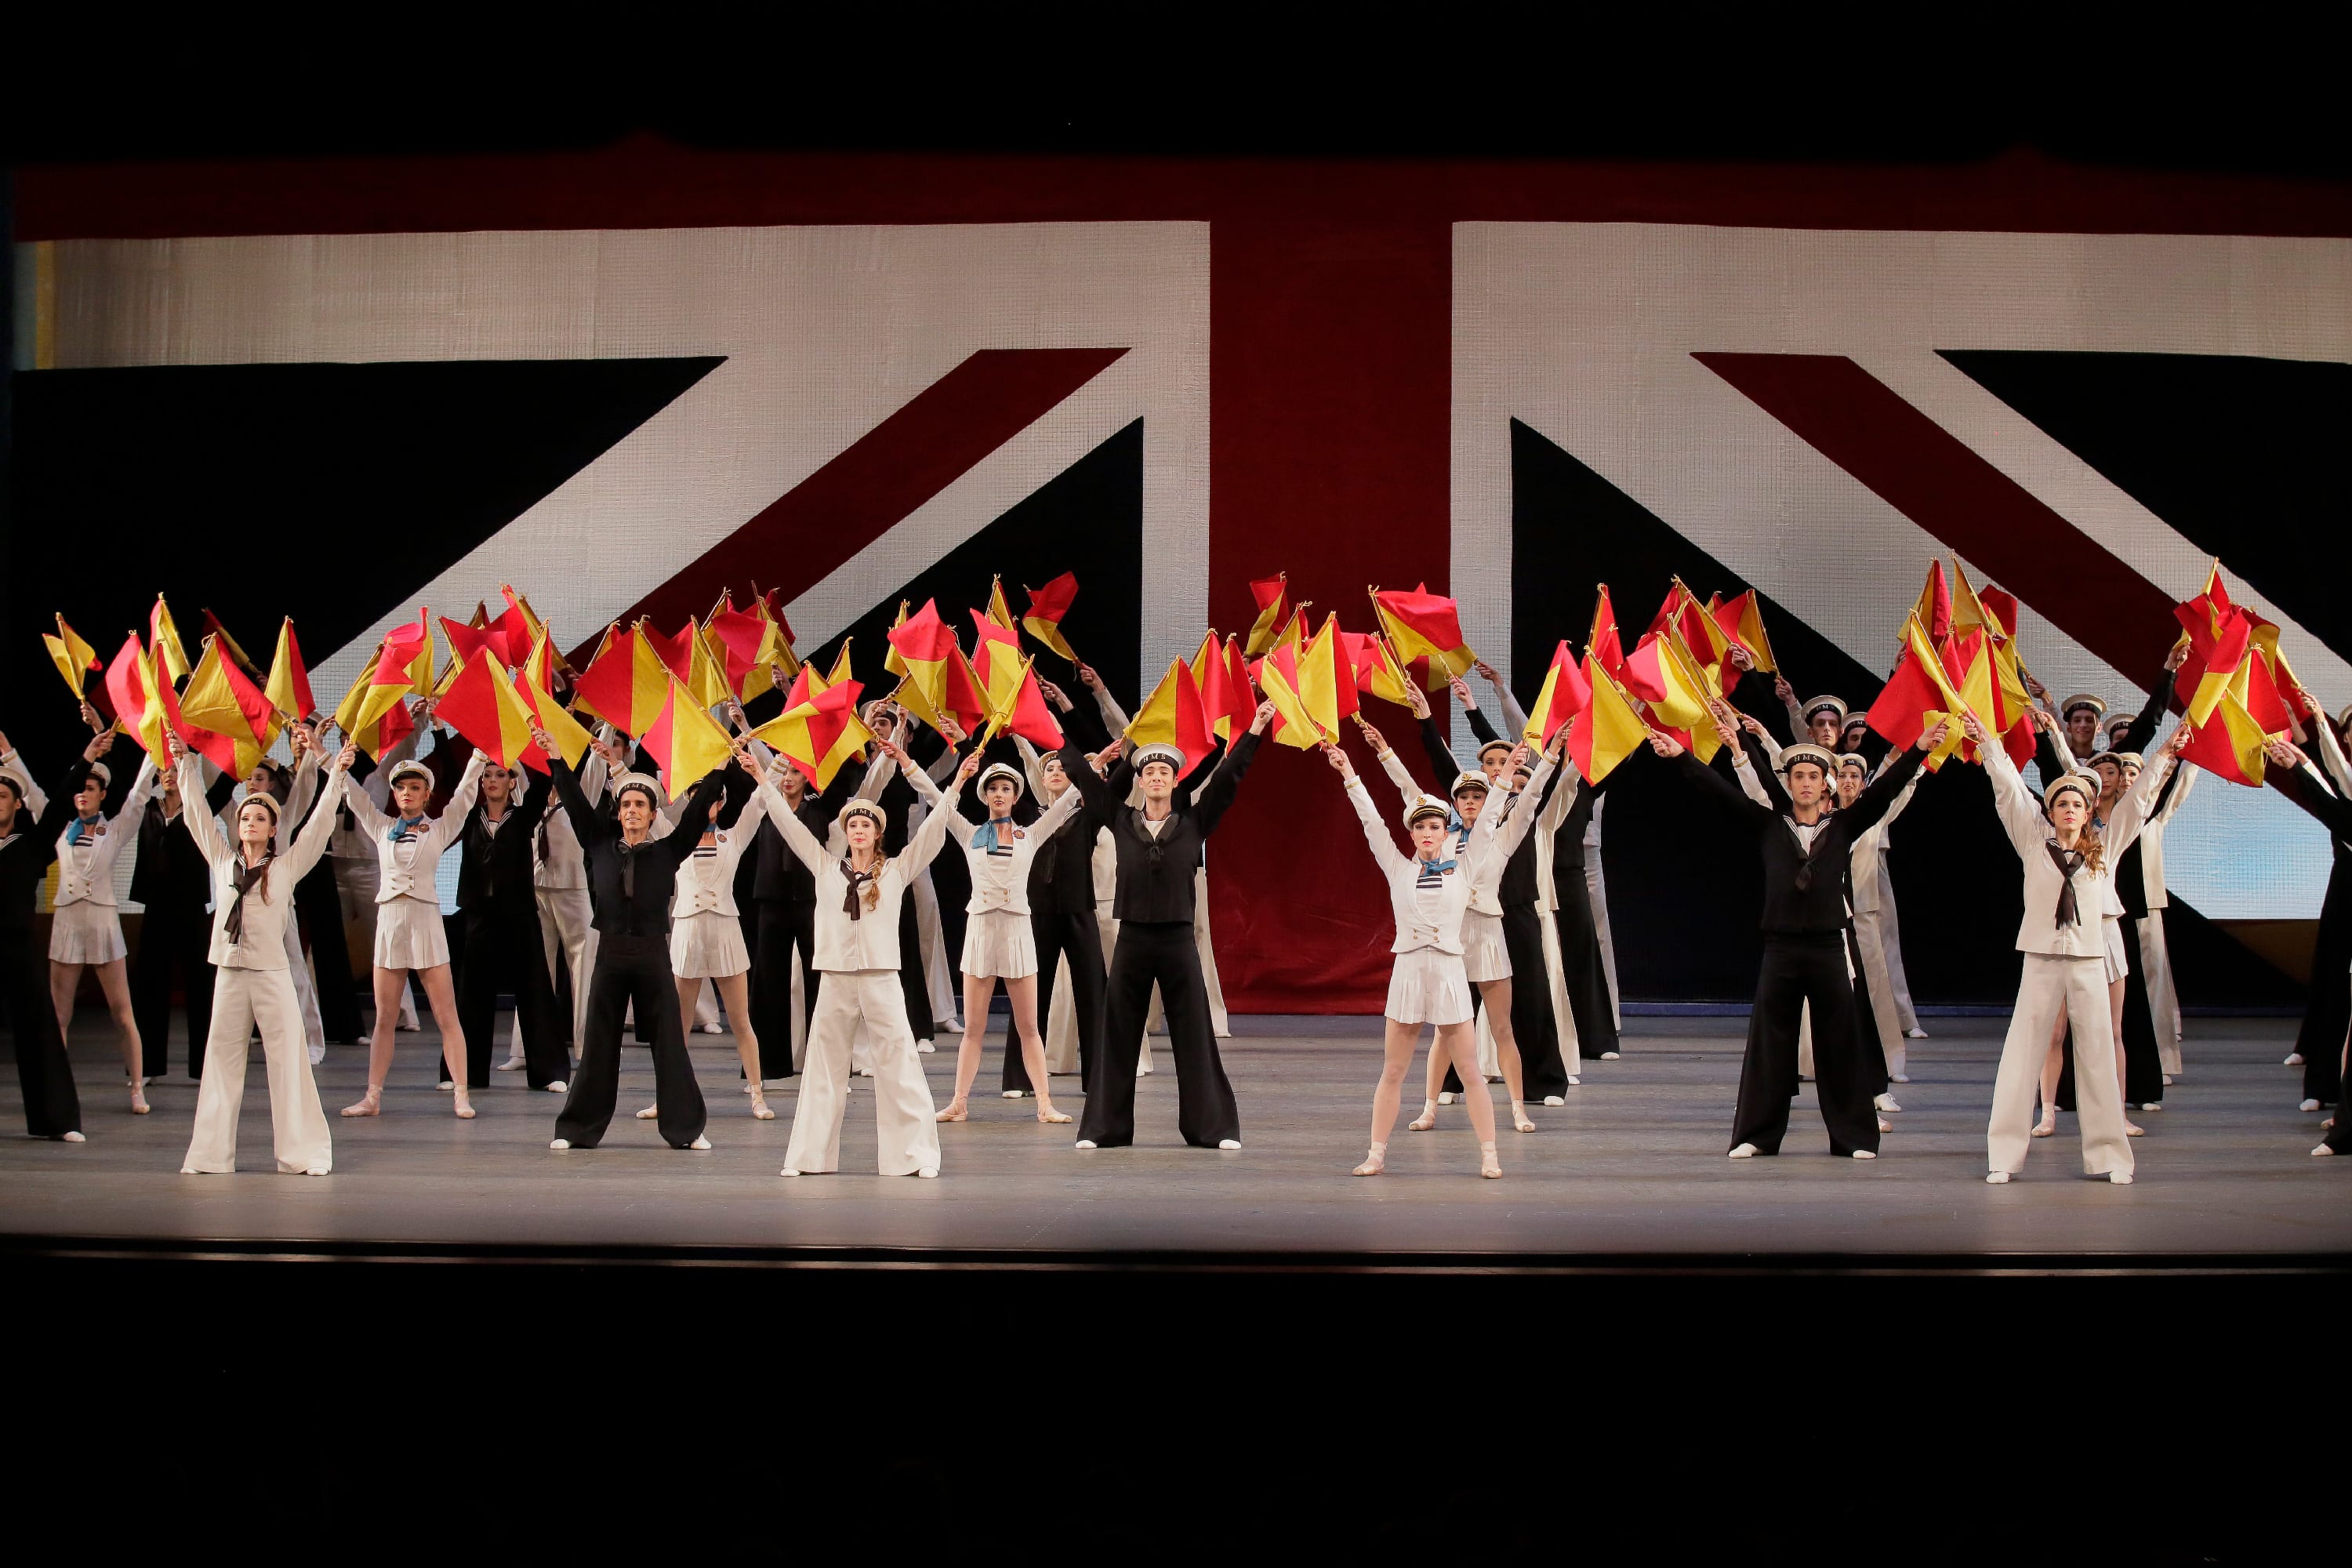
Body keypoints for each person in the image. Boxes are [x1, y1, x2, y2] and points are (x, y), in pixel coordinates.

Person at [1661, 710, 1935, 1160]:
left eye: (1813, 775)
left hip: (1828, 947)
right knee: (1770, 1043)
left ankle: (1853, 1137)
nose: (1805, 783)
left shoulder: (1843, 826)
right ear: (1788, 782)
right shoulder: (1771, 825)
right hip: (1781, 949)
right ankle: (1756, 1134)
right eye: (1798, 776)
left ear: (1826, 783)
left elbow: (1884, 792)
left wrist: (1919, 749)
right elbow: (1720, 793)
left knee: (1840, 1043)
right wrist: (1680, 757)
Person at [1976, 712, 2185, 1184]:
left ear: (2089, 811)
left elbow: (2140, 800)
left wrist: (2168, 753)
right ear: (2049, 811)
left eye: (2077, 803)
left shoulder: (2105, 847)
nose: (2069, 809)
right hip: (2042, 958)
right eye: (2061, 803)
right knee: (2022, 1054)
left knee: (2097, 1057)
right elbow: (2008, 789)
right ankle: (2004, 1157)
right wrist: (1989, 743)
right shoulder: (2033, 841)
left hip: (2090, 959)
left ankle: (2110, 1155)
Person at [1063, 701, 1274, 1151]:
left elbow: (1228, 779)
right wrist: (1053, 732)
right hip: (1133, 939)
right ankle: (1105, 1129)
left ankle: (1212, 1128)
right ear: (1139, 782)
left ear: (1175, 780)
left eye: (1164, 772)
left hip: (1178, 939)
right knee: (1117, 1033)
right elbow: (1084, 780)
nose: (1157, 777)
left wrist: (1254, 728)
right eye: (1149, 772)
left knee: (1193, 1032)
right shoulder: (1121, 820)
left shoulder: (1195, 822)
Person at [757, 737, 964, 1178]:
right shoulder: (826, 867)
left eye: (866, 825)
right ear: (844, 832)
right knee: (823, 1068)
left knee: (899, 1063)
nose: (858, 830)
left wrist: (957, 783)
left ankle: (916, 1155)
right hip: (834, 976)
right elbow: (786, 823)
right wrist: (762, 778)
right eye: (852, 824)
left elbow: (934, 830)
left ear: (877, 833)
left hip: (881, 977)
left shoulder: (895, 870)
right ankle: (808, 1158)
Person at [1326, 736, 1524, 1178]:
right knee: (1394, 1068)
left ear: (1445, 831)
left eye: (1436, 826)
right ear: (1412, 833)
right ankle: (1376, 1153)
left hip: (1451, 971)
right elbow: (1372, 823)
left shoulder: (1466, 866)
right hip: (1410, 971)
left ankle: (1490, 1154)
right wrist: (1349, 775)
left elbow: (1490, 818)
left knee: (1470, 1069)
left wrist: (1507, 775)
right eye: (1421, 827)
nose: (1429, 833)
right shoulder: (1399, 868)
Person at [1363, 719, 1563, 1134]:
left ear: (1489, 799)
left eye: (1478, 795)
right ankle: (1430, 1106)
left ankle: (1518, 1109)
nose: (1471, 802)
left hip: (1488, 935)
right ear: (1455, 802)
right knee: (1443, 1032)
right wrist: (1384, 752)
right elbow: (1409, 792)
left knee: (1503, 1027)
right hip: (1448, 940)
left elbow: (1529, 802)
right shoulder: (1441, 837)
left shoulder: (1500, 837)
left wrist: (1550, 759)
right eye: (1464, 796)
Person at [534, 730, 727, 1152]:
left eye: (641, 805)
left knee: (670, 1043)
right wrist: (555, 757)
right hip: (611, 957)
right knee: (599, 1043)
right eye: (626, 805)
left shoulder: (668, 850)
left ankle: (686, 1129)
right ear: (618, 813)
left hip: (653, 956)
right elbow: (576, 802)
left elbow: (696, 814)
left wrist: (718, 765)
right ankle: (577, 1129)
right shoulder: (600, 844)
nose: (632, 811)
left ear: (654, 813)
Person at [169, 734, 352, 1175]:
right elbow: (195, 815)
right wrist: (184, 765)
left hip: (272, 975)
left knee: (289, 1063)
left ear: (273, 829)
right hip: (230, 973)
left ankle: (302, 1153)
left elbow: (319, 824)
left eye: (260, 817)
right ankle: (211, 1156)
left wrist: (339, 773)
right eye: (245, 816)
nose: (250, 822)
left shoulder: (285, 866)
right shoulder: (222, 862)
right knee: (221, 1063)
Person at [929, 758, 1083, 1125]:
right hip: (981, 931)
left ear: (1016, 797)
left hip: (1016, 931)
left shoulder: (1030, 834)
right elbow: (938, 805)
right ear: (984, 796)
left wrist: (1093, 765)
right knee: (974, 1029)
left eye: (1006, 789)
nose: (999, 795)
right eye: (993, 789)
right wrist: (956, 777)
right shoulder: (970, 834)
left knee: (1029, 1026)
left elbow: (1071, 799)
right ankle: (959, 1102)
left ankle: (1045, 1103)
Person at [336, 747, 486, 1118]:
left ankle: (462, 1095)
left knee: (446, 1015)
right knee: (385, 1017)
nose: (406, 792)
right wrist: (331, 762)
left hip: (425, 923)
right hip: (390, 922)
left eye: (414, 787)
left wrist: (480, 756)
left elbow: (467, 795)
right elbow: (354, 796)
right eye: (401, 787)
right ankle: (372, 1097)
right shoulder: (381, 826)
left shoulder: (438, 829)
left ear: (426, 794)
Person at [642, 753, 772, 1120]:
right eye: (699, 797)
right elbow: (649, 815)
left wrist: (766, 767)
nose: (708, 804)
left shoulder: (734, 836)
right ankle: (665, 1097)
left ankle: (757, 1095)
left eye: (712, 798)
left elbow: (761, 802)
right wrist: (617, 767)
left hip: (726, 931)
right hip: (687, 929)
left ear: (721, 802)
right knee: (678, 1023)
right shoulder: (672, 837)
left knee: (741, 1020)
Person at [1, 729, 107, 1141]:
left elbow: (62, 804)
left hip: (18, 949)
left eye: (5, 795)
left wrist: (84, 759)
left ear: (15, 804)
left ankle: (58, 1121)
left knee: (40, 1029)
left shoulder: (30, 844)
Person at [47, 732, 159, 1117]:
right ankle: (59, 1090)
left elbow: (141, 794)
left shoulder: (114, 828)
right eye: (79, 788)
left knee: (121, 1011)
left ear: (102, 794)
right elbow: (27, 787)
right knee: (60, 1015)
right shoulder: (59, 828)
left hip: (103, 922)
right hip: (67, 920)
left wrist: (155, 750)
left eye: (90, 788)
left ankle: (136, 1088)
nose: (83, 794)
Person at [451, 757, 571, 1094]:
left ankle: (549, 1073)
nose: (492, 781)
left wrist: (544, 746)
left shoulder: (523, 816)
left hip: (518, 914)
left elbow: (545, 779)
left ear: (512, 782)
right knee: (472, 994)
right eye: (487, 776)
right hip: (479, 915)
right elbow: (453, 774)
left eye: (499, 775)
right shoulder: (468, 817)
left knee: (534, 989)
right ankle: (463, 1072)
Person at [130, 735, 234, 1080]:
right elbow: (130, 795)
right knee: (150, 986)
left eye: (176, 768)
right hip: (156, 908)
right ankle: (147, 1065)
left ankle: (202, 1067)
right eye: (165, 769)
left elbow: (228, 781)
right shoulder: (146, 809)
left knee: (200, 987)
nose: (170, 774)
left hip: (191, 908)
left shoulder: (199, 809)